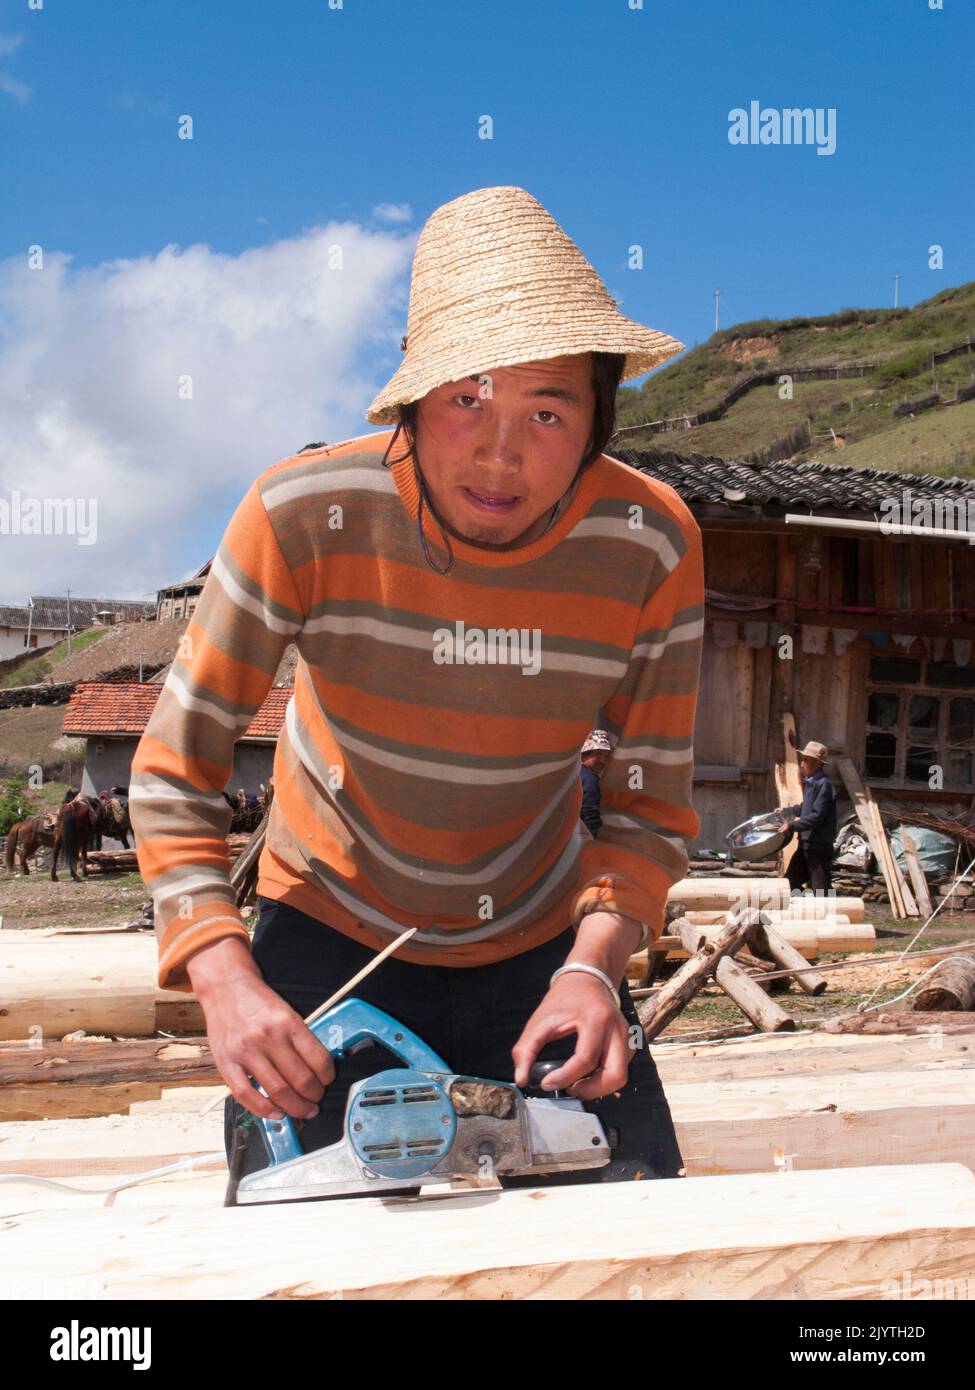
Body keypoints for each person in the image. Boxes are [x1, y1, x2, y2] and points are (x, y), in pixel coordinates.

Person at [129, 185, 704, 1188]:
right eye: (466, 399)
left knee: (631, 1202)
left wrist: (592, 963)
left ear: (598, 419)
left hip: (537, 934)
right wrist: (223, 976)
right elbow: (176, 768)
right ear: (412, 398)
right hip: (327, 920)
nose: (500, 451)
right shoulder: (301, 513)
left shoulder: (651, 543)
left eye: (548, 410)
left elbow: (651, 809)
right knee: (296, 1222)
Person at [785, 740, 837, 894]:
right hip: (806, 843)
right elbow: (805, 809)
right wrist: (787, 811)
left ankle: (827, 915)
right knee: (791, 881)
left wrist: (793, 825)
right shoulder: (811, 783)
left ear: (816, 763)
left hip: (818, 846)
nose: (802, 765)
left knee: (821, 890)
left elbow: (817, 816)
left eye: (805, 760)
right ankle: (805, 911)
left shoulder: (824, 785)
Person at [580, 729, 612, 838]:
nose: (603, 761)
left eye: (606, 756)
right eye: (598, 754)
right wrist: (592, 839)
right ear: (584, 753)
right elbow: (590, 812)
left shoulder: (574, 774)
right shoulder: (590, 777)